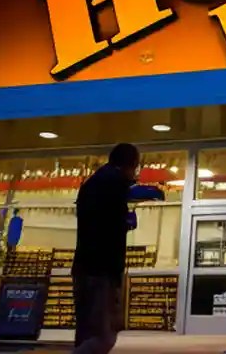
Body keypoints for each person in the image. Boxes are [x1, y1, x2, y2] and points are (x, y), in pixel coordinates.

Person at [71, 143, 162, 354]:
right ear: (129, 165)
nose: (135, 173)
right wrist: (126, 222)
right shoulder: (112, 182)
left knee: (88, 333)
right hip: (101, 270)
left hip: (86, 267)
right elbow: (108, 222)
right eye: (135, 167)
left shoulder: (94, 183)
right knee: (103, 336)